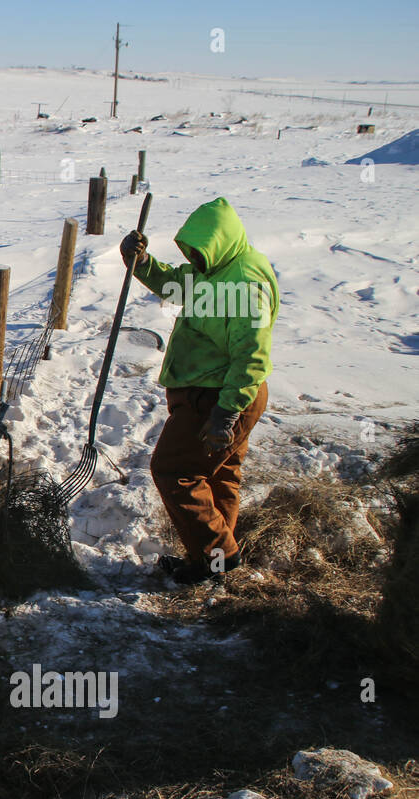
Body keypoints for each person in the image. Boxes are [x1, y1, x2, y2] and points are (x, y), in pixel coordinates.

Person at [120, 197, 279, 584]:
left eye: (199, 252)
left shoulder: (246, 284)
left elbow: (252, 357)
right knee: (219, 477)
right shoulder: (215, 269)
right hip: (213, 391)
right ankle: (212, 565)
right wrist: (141, 263)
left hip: (221, 395)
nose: (194, 259)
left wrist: (226, 413)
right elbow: (176, 285)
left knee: (174, 470)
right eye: (191, 252)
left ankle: (220, 557)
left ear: (221, 242)